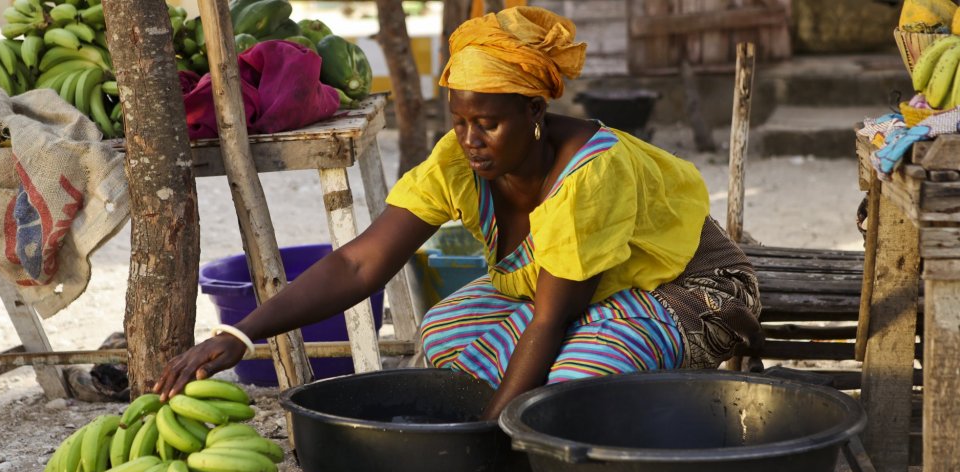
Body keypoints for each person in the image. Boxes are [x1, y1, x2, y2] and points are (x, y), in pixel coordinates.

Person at [155, 6, 764, 420]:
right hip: (584, 287)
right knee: (445, 331)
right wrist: (240, 333)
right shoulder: (461, 160)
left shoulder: (591, 173)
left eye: (489, 123)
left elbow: (551, 320)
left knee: (568, 381)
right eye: (461, 121)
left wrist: (487, 433)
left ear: (534, 112)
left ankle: (584, 444)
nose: (470, 139)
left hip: (690, 286)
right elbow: (360, 262)